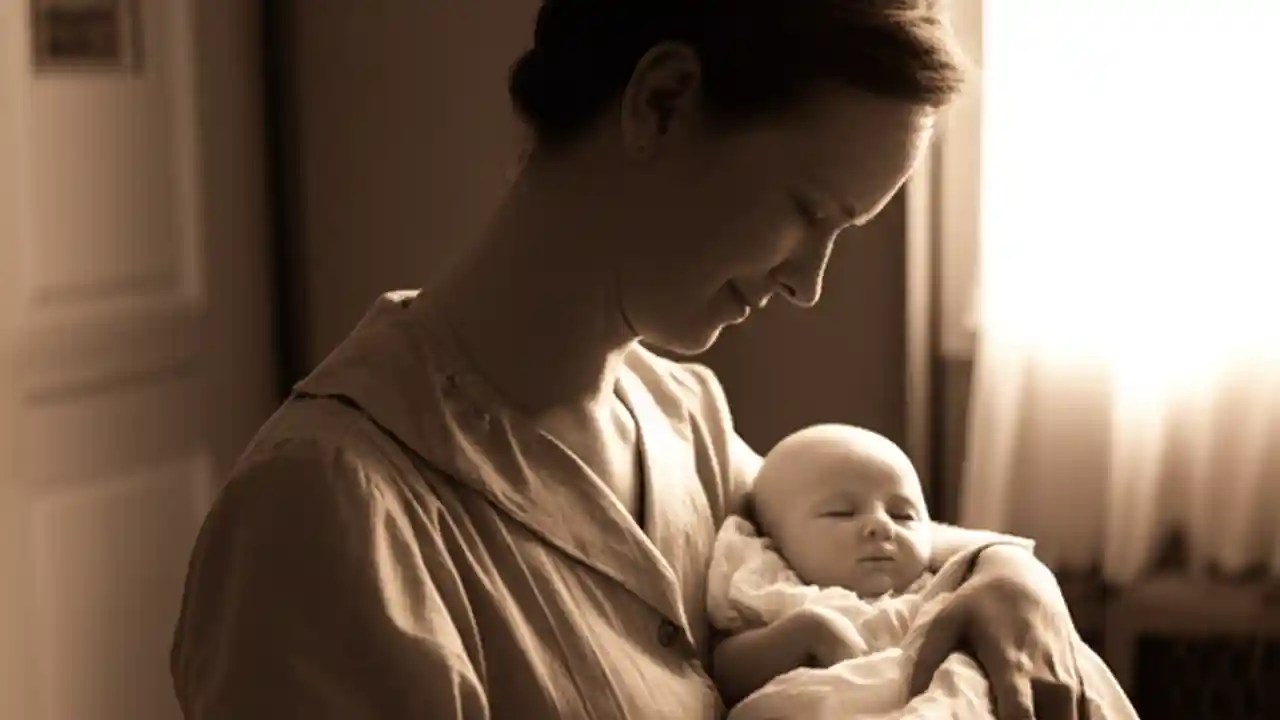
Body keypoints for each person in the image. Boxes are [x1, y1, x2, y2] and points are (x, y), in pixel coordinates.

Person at [170, 1, 1094, 718]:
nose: (810, 283)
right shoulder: (326, 514)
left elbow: (871, 545)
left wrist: (1013, 575)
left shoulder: (684, 418)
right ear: (661, 104)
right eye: (809, 211)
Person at [706, 425, 1134, 718]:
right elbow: (723, 670)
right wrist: (800, 633)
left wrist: (1011, 566)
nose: (882, 525)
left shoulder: (942, 584)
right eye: (841, 512)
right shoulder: (774, 586)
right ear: (773, 539)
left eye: (904, 514)